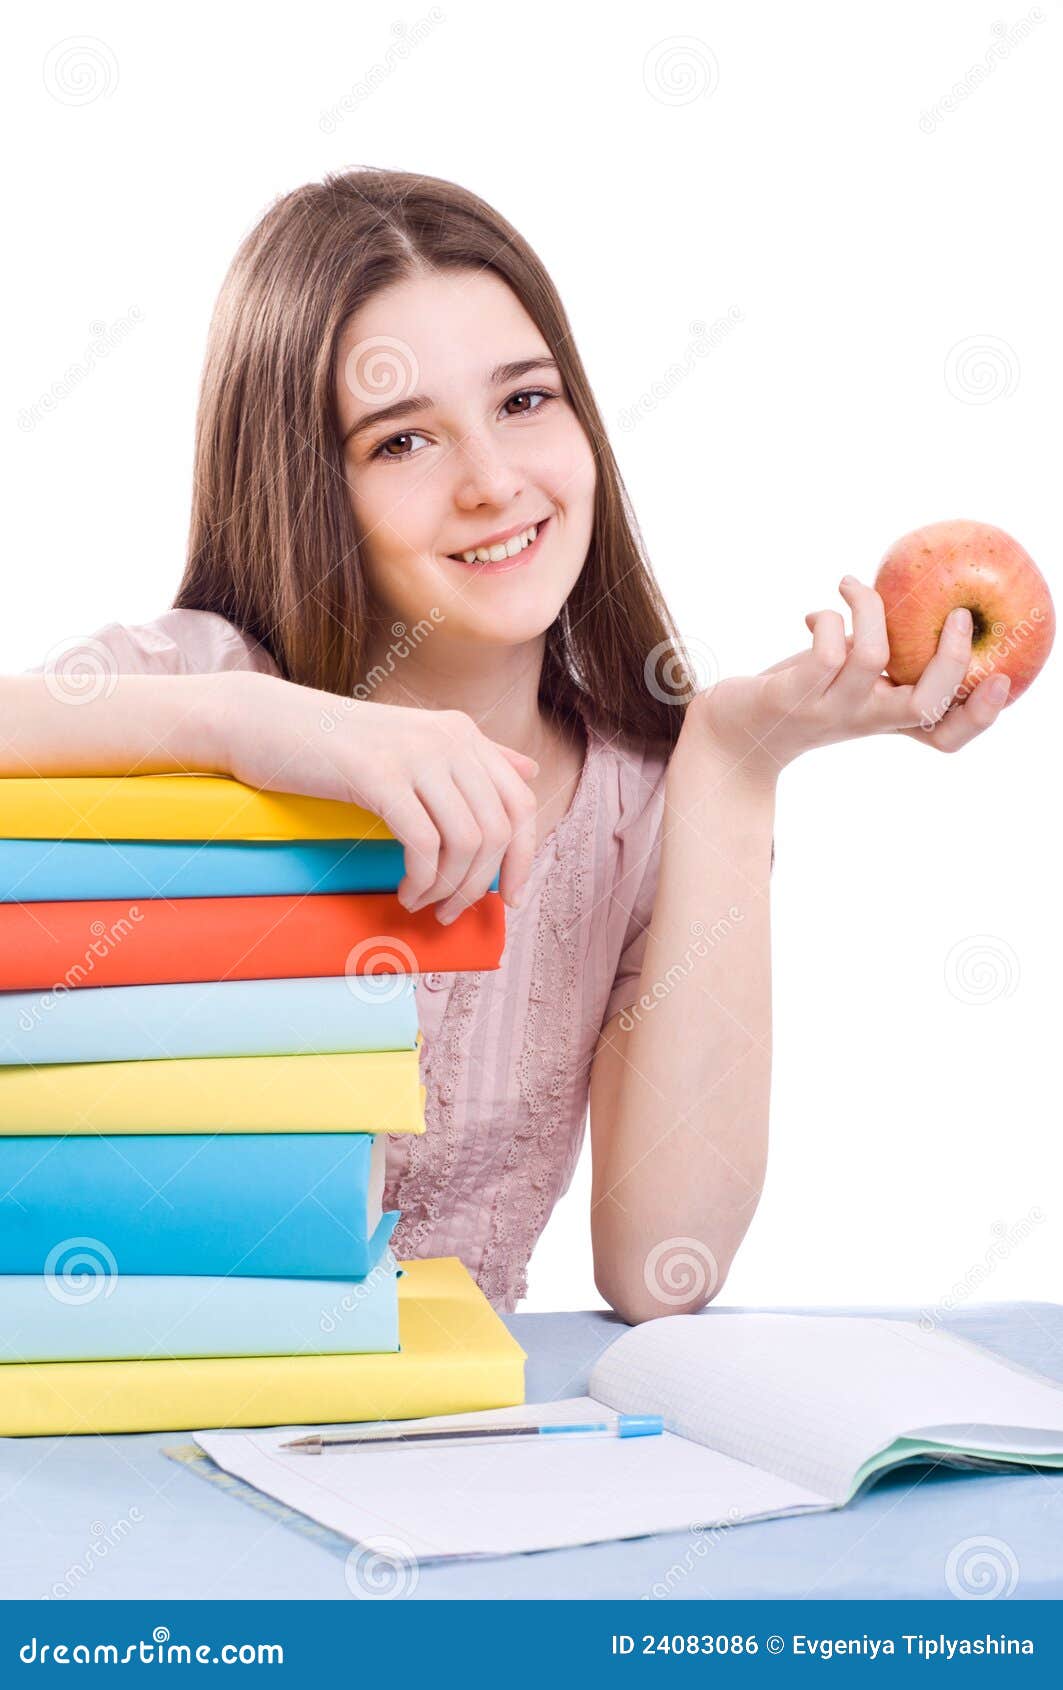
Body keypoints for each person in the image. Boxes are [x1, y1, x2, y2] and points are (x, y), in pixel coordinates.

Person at [7, 169, 1009, 1321]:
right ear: (303, 486)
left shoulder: (643, 804)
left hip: (455, 1459)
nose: (492, 483)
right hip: (118, 1438)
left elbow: (660, 1265)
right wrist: (248, 721)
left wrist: (732, 772)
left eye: (524, 403)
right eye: (400, 442)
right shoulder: (199, 691)